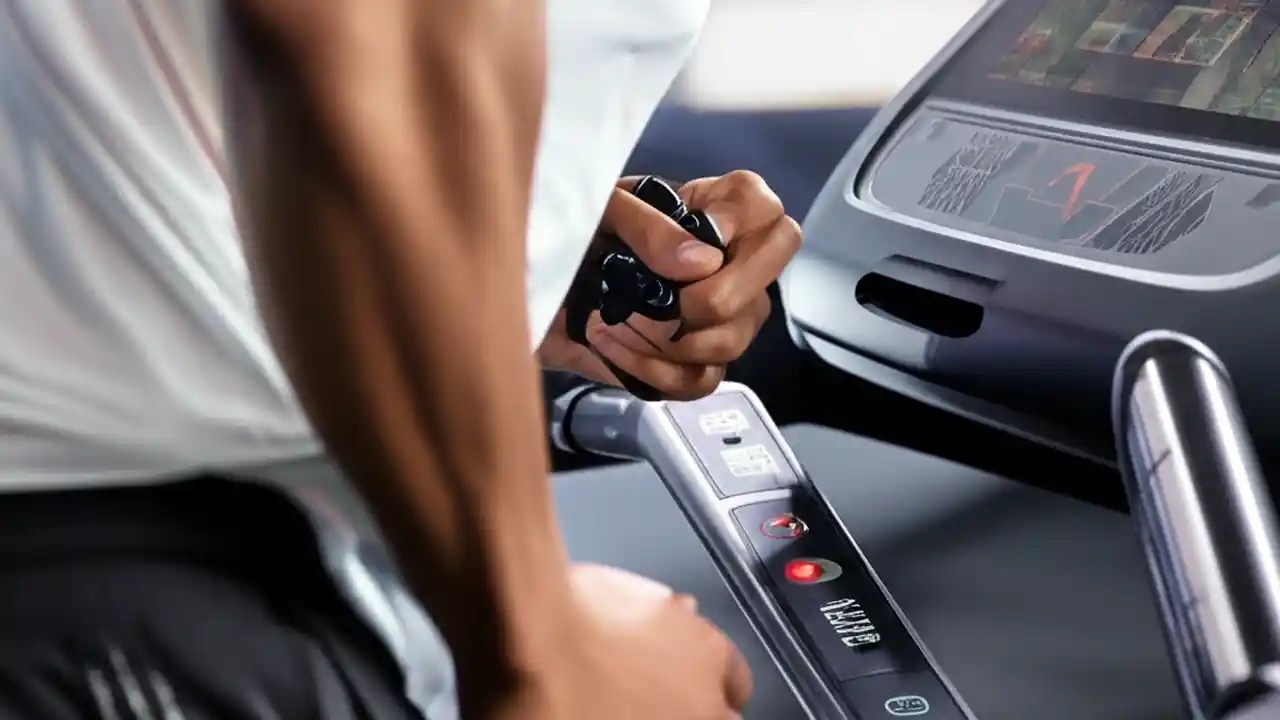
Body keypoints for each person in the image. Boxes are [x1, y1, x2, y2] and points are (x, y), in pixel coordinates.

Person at [0, 1, 801, 718]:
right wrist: (540, 646)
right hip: (94, 546)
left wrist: (512, 264)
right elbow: (348, 27)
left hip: (190, 516)